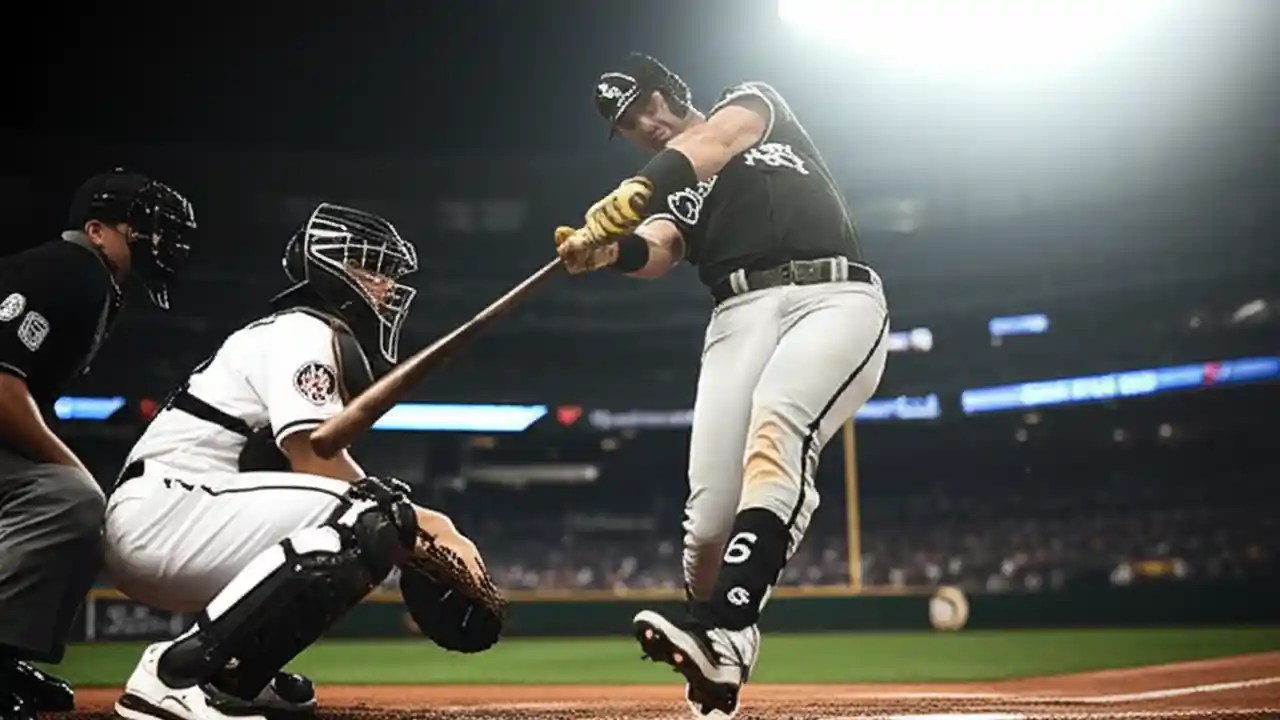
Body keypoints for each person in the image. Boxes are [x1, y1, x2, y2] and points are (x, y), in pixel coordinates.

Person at [556, 53, 891, 719]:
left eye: (649, 102)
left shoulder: (752, 104)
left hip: (831, 294)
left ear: (673, 88)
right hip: (736, 312)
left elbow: (712, 142)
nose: (645, 123)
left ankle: (729, 628)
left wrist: (635, 190)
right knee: (707, 521)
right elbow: (659, 246)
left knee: (778, 425)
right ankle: (717, 659)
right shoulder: (673, 191)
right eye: (628, 123)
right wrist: (606, 252)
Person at [102, 202, 504, 720]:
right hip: (169, 512)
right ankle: (174, 673)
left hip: (188, 516)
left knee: (376, 522)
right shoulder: (303, 331)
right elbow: (313, 458)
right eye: (374, 268)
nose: (387, 286)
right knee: (372, 520)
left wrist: (410, 529)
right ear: (334, 269)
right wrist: (425, 526)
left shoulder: (297, 333)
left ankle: (237, 675)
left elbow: (306, 467)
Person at [0, 169, 197, 718]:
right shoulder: (72, 268)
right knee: (70, 498)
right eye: (141, 227)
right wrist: (71, 466)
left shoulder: (94, 281)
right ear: (96, 230)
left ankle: (6, 658)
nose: (155, 240)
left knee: (73, 502)